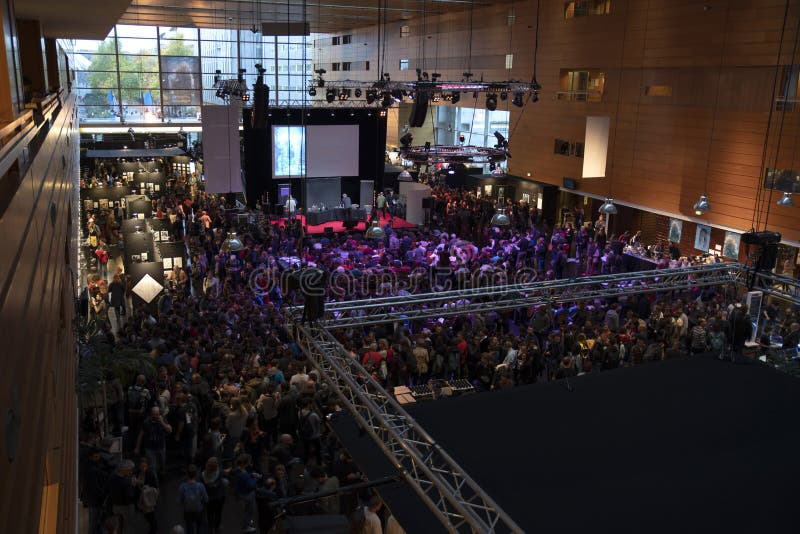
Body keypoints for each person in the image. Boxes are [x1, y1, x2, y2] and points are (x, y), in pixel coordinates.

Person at [135, 406, 172, 476]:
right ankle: (154, 479)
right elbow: (140, 435)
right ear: (151, 414)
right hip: (150, 448)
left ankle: (162, 472)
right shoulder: (146, 422)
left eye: (157, 414)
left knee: (162, 462)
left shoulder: (163, 420)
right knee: (152, 466)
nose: (155, 416)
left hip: (161, 447)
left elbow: (170, 430)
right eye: (154, 414)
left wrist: (162, 422)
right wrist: (137, 447)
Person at [178, 464, 208, 534]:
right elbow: (206, 499)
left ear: (187, 474)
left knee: (189, 528)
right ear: (196, 474)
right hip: (199, 510)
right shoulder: (201, 486)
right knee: (200, 527)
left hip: (188, 511)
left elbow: (179, 501)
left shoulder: (182, 487)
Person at [201, 457, 227, 534]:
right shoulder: (220, 473)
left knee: (209, 513)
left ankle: (210, 527)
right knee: (218, 513)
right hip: (219, 497)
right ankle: (217, 526)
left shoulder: (202, 475)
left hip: (209, 498)